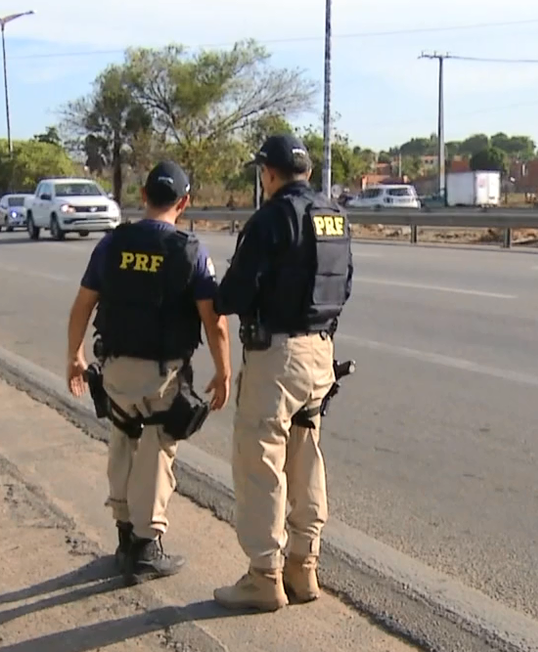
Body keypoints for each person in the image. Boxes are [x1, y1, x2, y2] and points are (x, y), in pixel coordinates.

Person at [65, 161, 231, 583]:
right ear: (185, 202)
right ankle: (145, 547)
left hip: (116, 368)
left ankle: (124, 536)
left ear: (143, 196)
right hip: (164, 374)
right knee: (156, 449)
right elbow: (214, 320)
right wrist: (224, 369)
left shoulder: (112, 245)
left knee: (123, 440)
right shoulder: (191, 250)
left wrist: (75, 356)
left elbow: (83, 304)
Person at [212, 135, 353, 611]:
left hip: (276, 357)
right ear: (308, 173)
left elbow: (232, 296)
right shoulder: (333, 215)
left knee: (261, 462)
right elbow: (344, 284)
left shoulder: (271, 218)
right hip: (321, 351)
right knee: (306, 455)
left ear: (268, 173)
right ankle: (304, 566)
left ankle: (264, 577)